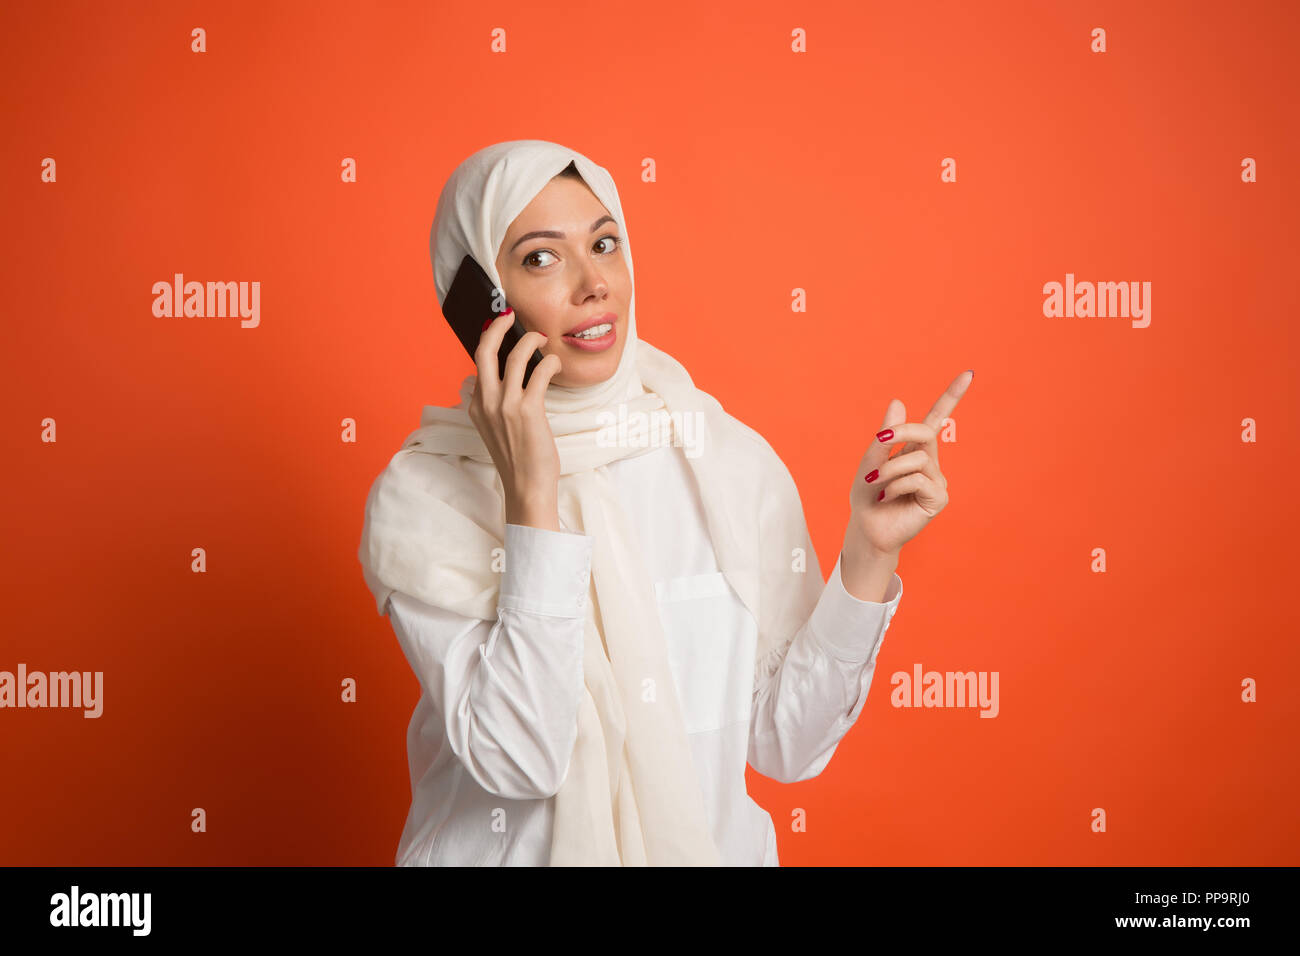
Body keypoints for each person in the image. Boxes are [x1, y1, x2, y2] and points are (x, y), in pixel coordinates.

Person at [358, 139, 972, 866]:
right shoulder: (424, 498)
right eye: (541, 258)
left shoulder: (722, 460)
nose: (594, 284)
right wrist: (532, 497)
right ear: (479, 299)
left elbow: (787, 745)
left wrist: (870, 555)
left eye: (605, 243)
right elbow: (521, 759)